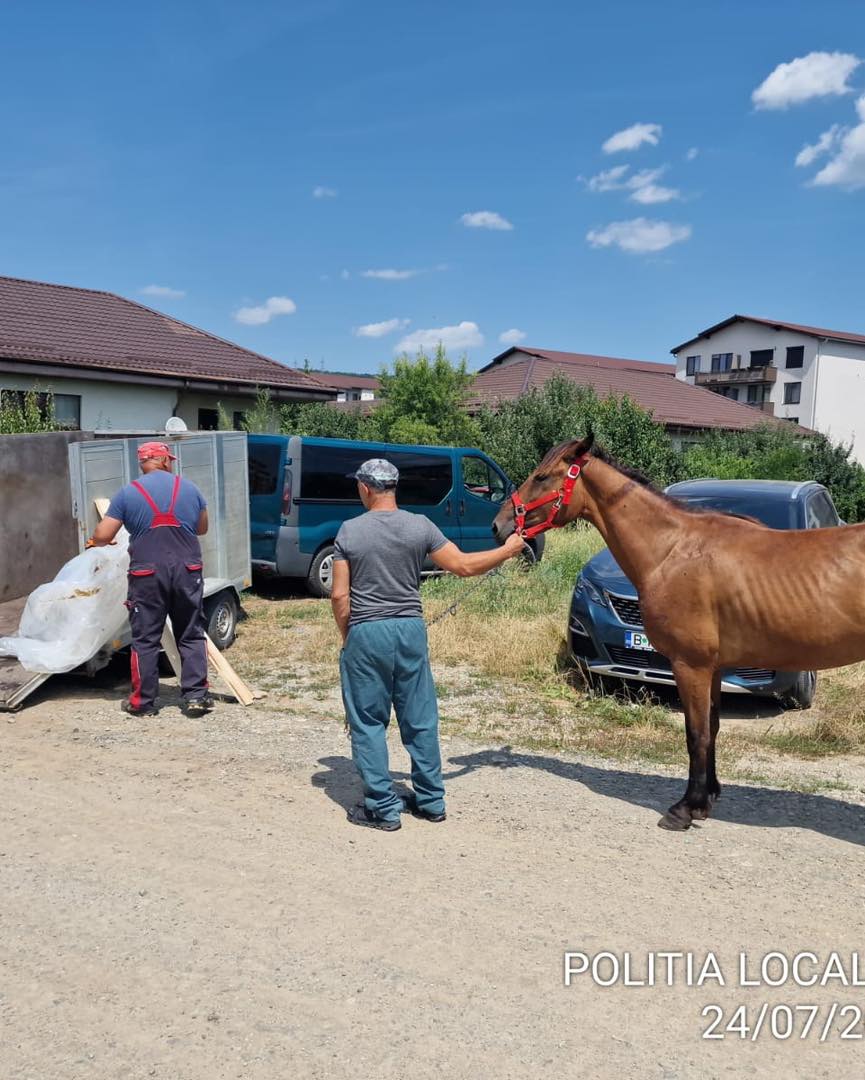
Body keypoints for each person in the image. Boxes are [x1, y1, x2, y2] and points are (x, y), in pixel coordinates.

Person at [331, 458, 525, 831]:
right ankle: (431, 801)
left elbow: (340, 596)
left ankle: (383, 810)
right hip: (410, 629)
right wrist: (508, 550)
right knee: (419, 718)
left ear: (366, 488)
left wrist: (350, 636)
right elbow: (464, 566)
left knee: (369, 722)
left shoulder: (349, 532)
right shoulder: (420, 526)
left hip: (367, 630)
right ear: (393, 488)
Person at [88, 441, 213, 718]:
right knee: (190, 632)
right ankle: (196, 697)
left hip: (147, 574)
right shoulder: (190, 489)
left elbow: (103, 535)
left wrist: (98, 540)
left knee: (145, 638)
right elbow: (202, 528)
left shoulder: (128, 493)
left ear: (143, 463)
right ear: (165, 461)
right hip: (187, 571)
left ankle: (143, 703)